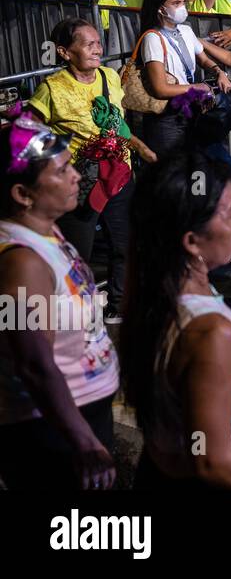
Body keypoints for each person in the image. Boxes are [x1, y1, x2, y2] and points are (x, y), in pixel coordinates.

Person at [117, 150, 231, 489]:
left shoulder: (154, 294)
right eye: (229, 214)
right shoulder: (211, 334)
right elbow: (211, 460)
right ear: (192, 241)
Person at [0, 109, 119, 490]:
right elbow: (34, 364)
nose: (77, 176)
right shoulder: (20, 263)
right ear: (23, 194)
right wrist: (82, 441)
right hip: (53, 430)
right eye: (63, 170)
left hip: (80, 414)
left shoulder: (45, 231)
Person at [28, 19, 157, 321]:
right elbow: (31, 132)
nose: (97, 48)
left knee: (124, 245)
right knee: (78, 255)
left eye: (98, 42)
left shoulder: (109, 76)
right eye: (88, 44)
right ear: (64, 52)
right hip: (80, 184)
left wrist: (140, 147)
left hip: (119, 175)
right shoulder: (52, 88)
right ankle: (73, 315)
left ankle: (118, 304)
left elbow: (117, 122)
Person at [132, 0, 231, 159]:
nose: (182, 7)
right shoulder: (153, 38)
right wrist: (196, 87)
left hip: (188, 109)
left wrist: (219, 72)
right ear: (160, 8)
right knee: (174, 174)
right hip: (166, 117)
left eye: (183, 2)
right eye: (176, 3)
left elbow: (203, 59)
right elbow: (161, 88)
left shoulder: (186, 30)